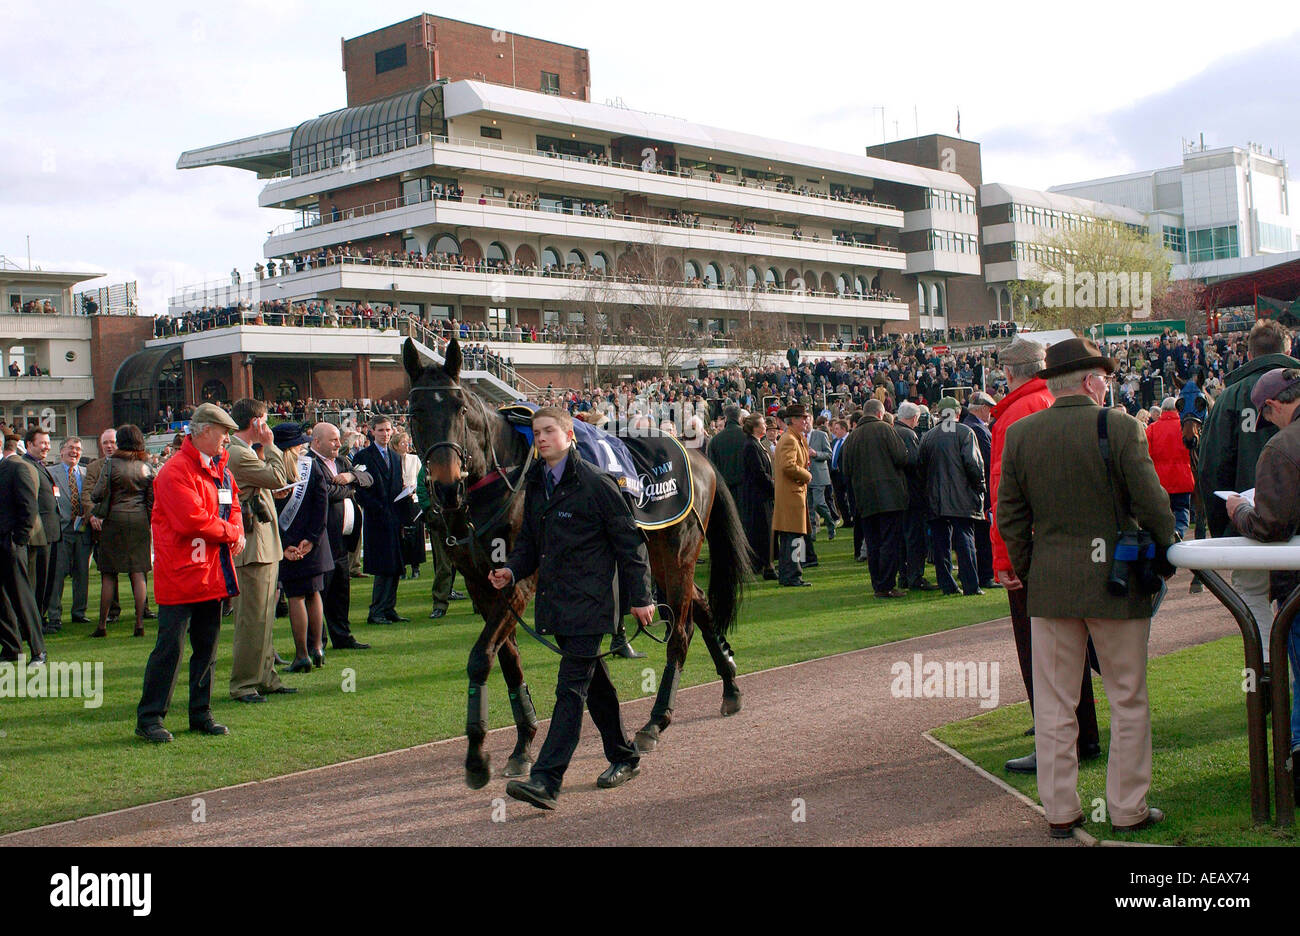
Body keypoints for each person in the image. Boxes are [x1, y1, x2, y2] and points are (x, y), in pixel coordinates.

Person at [998, 337, 1177, 837]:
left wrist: (1035, 569)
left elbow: (1009, 516)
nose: (1107, 386)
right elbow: (1153, 504)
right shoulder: (1119, 427)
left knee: (1055, 706)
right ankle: (1128, 808)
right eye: (1104, 378)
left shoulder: (1022, 433)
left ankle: (1060, 810)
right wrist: (1166, 550)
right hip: (1115, 584)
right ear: (1091, 381)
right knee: (1127, 698)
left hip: (1052, 586)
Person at [489, 407, 655, 810]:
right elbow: (530, 543)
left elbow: (629, 543)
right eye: (536, 432)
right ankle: (624, 755)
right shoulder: (537, 485)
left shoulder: (598, 484)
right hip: (557, 603)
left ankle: (546, 780)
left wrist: (641, 597)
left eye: (549, 431)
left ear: (570, 435)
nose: (541, 438)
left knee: (569, 691)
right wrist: (511, 571)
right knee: (593, 684)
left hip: (593, 602)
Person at [990, 337, 1101, 774]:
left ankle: (1059, 739)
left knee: (1040, 652)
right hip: (1076, 545)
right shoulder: (1057, 400)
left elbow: (1005, 498)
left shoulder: (1015, 414)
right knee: (1072, 647)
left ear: (1011, 372)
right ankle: (1083, 734)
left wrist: (1004, 559)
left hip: (1034, 550)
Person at [136, 404, 245, 743]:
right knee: (170, 649)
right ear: (203, 431)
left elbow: (234, 507)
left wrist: (236, 528)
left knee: (207, 649)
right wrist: (232, 533)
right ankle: (150, 717)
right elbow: (190, 521)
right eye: (222, 431)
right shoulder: (174, 471)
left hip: (212, 574)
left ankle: (201, 712)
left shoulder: (222, 470)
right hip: (181, 576)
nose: (227, 438)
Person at [1196, 319, 1299, 663]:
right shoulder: (1235, 395)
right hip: (1288, 526)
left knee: (1254, 603)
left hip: (1250, 526)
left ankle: (1268, 682)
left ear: (1249, 353)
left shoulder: (1228, 397)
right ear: (1286, 351)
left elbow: (1211, 467)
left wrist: (1224, 527)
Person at [1225, 368, 1300, 755]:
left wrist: (1239, 510)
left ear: (1271, 406)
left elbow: (1271, 526)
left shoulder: (1282, 447)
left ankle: (1296, 769)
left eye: (1266, 416)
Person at [225, 399, 296, 702]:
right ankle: (244, 683)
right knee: (252, 620)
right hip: (253, 547)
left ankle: (265, 676)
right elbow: (279, 477)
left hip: (263, 543)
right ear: (255, 423)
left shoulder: (244, 451)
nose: (267, 427)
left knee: (264, 618)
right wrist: (272, 446)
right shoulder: (238, 453)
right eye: (265, 421)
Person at [273, 422, 333, 672]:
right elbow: (322, 504)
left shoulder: (274, 472)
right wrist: (312, 539)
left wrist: (286, 545)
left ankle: (302, 655)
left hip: (288, 546)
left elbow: (272, 513)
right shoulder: (314, 467)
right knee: (314, 593)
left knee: (296, 596)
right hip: (313, 545)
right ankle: (317, 647)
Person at [309, 422, 371, 649]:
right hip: (321, 539)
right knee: (320, 593)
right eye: (333, 440)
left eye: (338, 439)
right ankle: (317, 642)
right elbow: (325, 492)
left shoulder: (342, 462)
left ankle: (342, 637)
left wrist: (351, 478)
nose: (338, 444)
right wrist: (351, 487)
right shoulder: (309, 462)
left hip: (343, 541)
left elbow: (367, 479)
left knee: (340, 593)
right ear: (317, 442)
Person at [840, 399, 910, 597]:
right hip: (890, 497)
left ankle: (878, 585)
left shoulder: (852, 438)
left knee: (873, 543)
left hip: (864, 499)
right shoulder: (885, 429)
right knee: (890, 541)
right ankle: (887, 585)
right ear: (880, 414)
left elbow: (845, 470)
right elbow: (901, 457)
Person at [90, 424, 154, 637]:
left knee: (109, 574)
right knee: (138, 572)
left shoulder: (111, 464)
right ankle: (139, 623)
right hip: (139, 522)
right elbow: (151, 500)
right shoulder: (146, 466)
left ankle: (102, 625)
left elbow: (96, 494)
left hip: (113, 521)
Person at [919, 397, 985, 597]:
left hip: (935, 499)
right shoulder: (965, 432)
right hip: (961, 497)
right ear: (957, 413)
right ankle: (971, 585)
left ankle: (947, 585)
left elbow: (920, 469)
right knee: (965, 542)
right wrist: (980, 487)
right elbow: (973, 465)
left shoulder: (928, 437)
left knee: (941, 545)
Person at [353, 415, 407, 624]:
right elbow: (359, 489)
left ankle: (389, 608)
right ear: (372, 431)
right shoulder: (363, 456)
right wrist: (378, 507)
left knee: (395, 566)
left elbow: (397, 482)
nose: (385, 434)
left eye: (388, 430)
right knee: (383, 567)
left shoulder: (395, 457)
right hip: (377, 519)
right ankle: (376, 610)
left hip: (394, 518)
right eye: (381, 430)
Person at [0, 433, 46, 665]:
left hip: (10, 542)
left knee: (22, 597)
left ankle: (38, 650)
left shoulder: (16, 467)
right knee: (2, 602)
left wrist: (18, 538)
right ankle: (11, 649)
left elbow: (29, 507)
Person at [46, 437, 93, 631]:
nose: (75, 452)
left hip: (83, 530)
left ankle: (79, 612)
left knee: (82, 573)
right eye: (71, 448)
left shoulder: (86, 472)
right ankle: (54, 615)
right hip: (62, 531)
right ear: (61, 451)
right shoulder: (50, 473)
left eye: (78, 449)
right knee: (57, 575)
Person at [893, 402, 937, 591]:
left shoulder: (893, 431)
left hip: (899, 493)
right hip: (912, 494)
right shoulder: (908, 434)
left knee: (903, 538)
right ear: (915, 418)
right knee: (915, 538)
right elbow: (914, 462)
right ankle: (915, 577)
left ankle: (904, 575)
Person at [22, 427, 60, 623]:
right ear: (29, 444)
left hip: (51, 532)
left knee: (47, 580)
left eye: (48, 443)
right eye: (42, 443)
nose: (47, 447)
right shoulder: (26, 465)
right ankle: (34, 620)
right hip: (39, 534)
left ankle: (39, 617)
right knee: (37, 581)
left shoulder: (39, 465)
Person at [772, 403, 813, 587]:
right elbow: (788, 466)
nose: (806, 421)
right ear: (794, 420)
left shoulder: (795, 438)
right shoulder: (790, 439)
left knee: (796, 536)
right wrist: (807, 475)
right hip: (792, 494)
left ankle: (794, 573)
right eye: (803, 418)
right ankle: (792, 575)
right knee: (793, 536)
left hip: (794, 494)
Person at [963, 391, 999, 589]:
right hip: (981, 492)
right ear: (983, 408)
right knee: (983, 536)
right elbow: (987, 462)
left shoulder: (967, 426)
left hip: (971, 492)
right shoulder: (978, 430)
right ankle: (986, 575)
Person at [1147, 398, 1195, 538]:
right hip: (1182, 477)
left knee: (1162, 513)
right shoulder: (1185, 427)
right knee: (1182, 511)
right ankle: (1178, 532)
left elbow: (1146, 454)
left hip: (1159, 480)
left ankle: (1164, 537)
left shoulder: (1152, 429)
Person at [737, 413, 776, 580]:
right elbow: (759, 473)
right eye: (762, 424)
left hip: (762, 495)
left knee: (765, 532)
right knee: (763, 532)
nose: (766, 426)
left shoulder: (756, 444)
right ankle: (767, 566)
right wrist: (774, 487)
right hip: (758, 497)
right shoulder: (751, 446)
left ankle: (765, 564)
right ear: (755, 427)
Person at [705, 404, 746, 507]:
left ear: (726, 418)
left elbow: (711, 469)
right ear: (740, 417)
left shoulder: (715, 441)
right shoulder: (748, 436)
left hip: (725, 491)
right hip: (746, 490)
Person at [807, 416, 835, 545]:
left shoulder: (821, 435)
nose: (805, 423)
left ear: (811, 421)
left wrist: (816, 454)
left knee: (819, 503)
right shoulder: (797, 437)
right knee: (809, 507)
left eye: (807, 420)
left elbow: (829, 454)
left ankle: (830, 522)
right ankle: (812, 533)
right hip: (805, 476)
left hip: (819, 475)